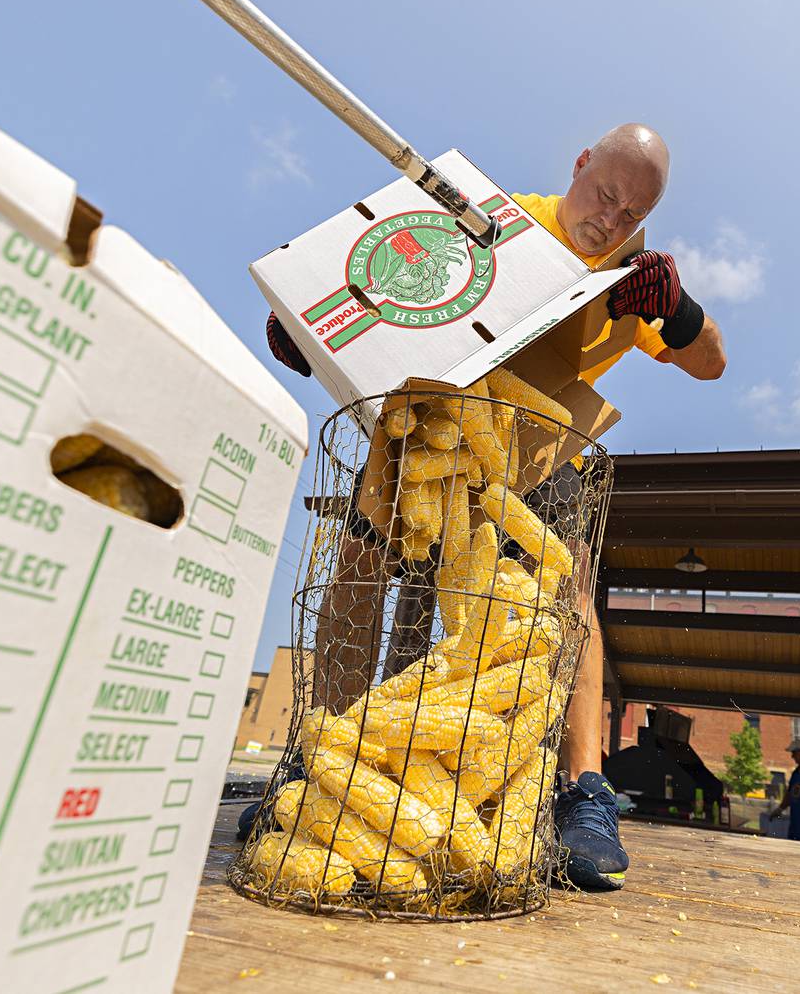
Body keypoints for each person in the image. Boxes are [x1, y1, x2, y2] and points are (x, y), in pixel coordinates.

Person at [264, 124, 728, 892]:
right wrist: (313, 333)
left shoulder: (633, 278)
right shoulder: (495, 220)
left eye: (630, 213)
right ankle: (320, 760)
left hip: (545, 445)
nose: (609, 222)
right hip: (435, 427)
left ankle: (584, 793)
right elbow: (390, 283)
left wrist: (677, 311)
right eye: (605, 196)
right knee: (357, 564)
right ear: (579, 165)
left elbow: (710, 362)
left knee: (570, 593)